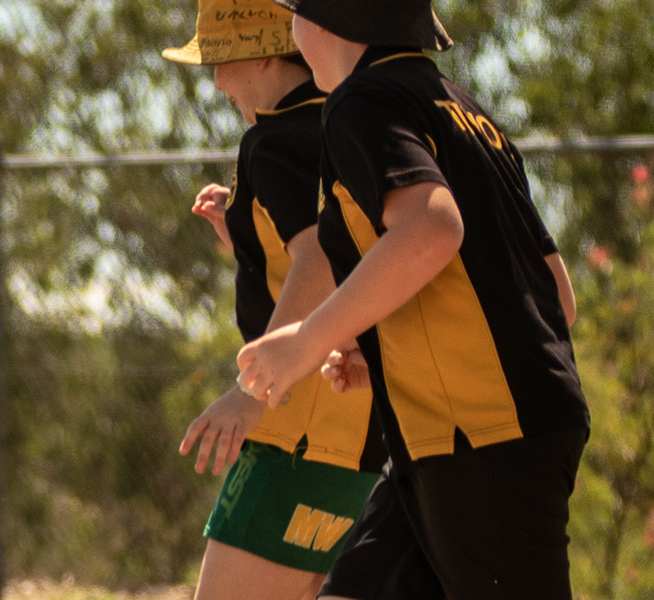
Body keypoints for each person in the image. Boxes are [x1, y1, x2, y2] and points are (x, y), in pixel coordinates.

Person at [237, 1, 585, 598]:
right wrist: (392, 357)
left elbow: (432, 229)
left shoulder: (361, 102)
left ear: (323, 23)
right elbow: (552, 294)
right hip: (472, 430)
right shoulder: (463, 108)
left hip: (482, 437)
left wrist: (306, 339)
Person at [161, 2, 383, 598]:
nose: (215, 81)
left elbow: (320, 257)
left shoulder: (274, 139)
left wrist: (249, 394)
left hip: (294, 428)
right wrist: (246, 236)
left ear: (263, 52)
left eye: (221, 60)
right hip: (361, 431)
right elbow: (349, 251)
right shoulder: (349, 123)